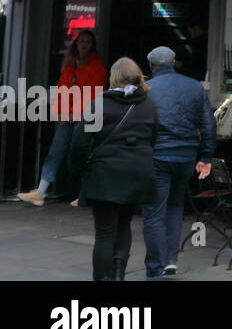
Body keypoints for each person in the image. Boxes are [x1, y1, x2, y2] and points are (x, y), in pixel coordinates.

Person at [68, 57, 159, 280]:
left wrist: (77, 170)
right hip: (138, 172)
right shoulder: (148, 104)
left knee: (105, 232)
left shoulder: (100, 103)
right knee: (125, 224)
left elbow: (79, 141)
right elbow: (153, 138)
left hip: (106, 173)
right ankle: (118, 274)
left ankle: (101, 278)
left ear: (114, 77)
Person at [141, 47, 217, 279]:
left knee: (153, 212)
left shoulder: (146, 89)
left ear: (151, 66)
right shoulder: (194, 85)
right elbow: (208, 124)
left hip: (157, 155)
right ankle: (171, 259)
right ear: (174, 62)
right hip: (185, 156)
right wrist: (205, 157)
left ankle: (155, 267)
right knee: (175, 207)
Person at [19, 30, 108, 207]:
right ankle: (41, 192)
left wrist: (68, 112)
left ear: (92, 46)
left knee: (82, 155)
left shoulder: (96, 68)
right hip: (69, 116)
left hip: (82, 116)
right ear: (76, 44)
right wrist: (60, 112)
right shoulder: (70, 66)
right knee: (57, 152)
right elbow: (62, 91)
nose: (83, 44)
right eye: (81, 41)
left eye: (87, 42)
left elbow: (92, 95)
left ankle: (82, 195)